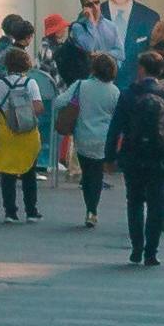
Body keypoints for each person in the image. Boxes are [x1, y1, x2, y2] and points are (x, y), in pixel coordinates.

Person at [110, 45, 164, 264]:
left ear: (141, 69)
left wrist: (110, 157)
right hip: (160, 156)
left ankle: (136, 247)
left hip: (133, 155)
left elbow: (115, 127)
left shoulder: (128, 94)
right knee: (156, 203)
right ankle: (151, 252)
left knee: (134, 201)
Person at [0, 31, 53, 221]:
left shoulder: (0, 84)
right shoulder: (30, 83)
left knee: (8, 173)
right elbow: (39, 107)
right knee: (29, 171)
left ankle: (10, 212)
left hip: (6, 132)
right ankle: (31, 211)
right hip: (27, 132)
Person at [60, 40, 130, 227]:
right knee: (97, 175)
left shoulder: (80, 86)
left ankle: (89, 207)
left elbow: (60, 101)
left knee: (87, 173)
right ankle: (93, 209)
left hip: (82, 137)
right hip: (103, 139)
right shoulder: (114, 91)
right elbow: (119, 115)